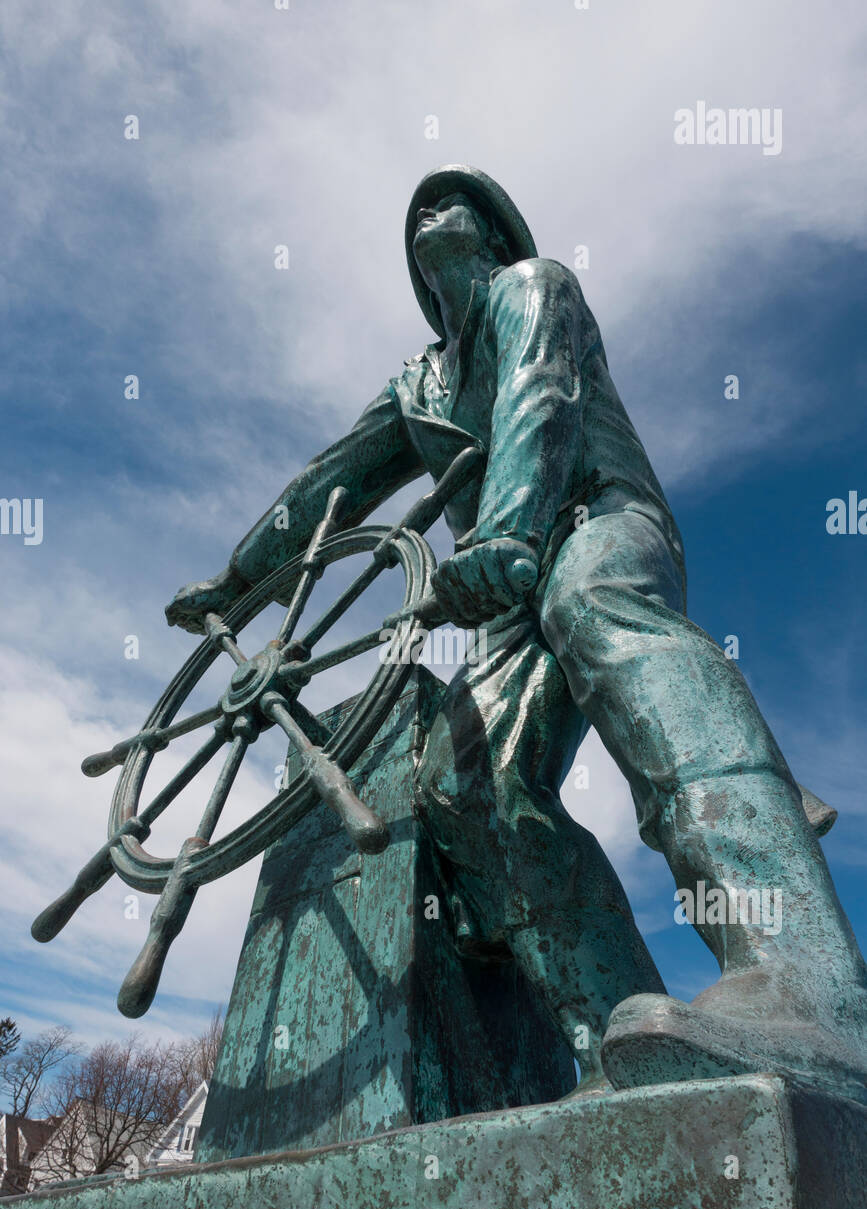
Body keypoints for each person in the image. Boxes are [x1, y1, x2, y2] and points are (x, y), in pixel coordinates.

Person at [167, 165, 867, 1102]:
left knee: (595, 611)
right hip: (499, 592)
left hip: (593, 523)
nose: (429, 212)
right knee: (461, 791)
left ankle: (811, 989)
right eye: (416, 208)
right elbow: (323, 492)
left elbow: (542, 399)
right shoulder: (417, 384)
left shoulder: (532, 287)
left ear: (497, 235)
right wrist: (238, 582)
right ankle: (610, 1046)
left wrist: (504, 532)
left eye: (452, 201)